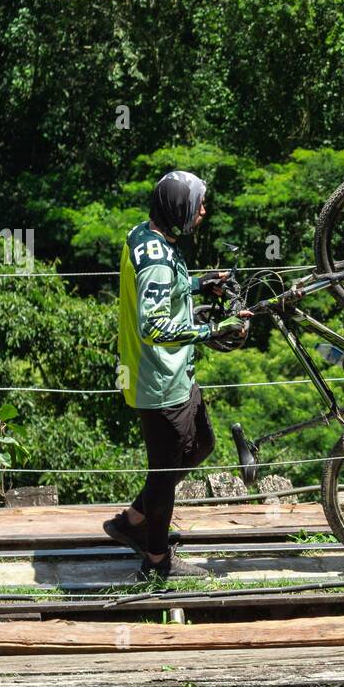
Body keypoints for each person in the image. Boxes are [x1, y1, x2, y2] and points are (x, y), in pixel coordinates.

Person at [103, 170, 252, 581]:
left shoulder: (147, 236)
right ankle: (156, 561)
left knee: (201, 444)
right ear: (177, 208)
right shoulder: (156, 261)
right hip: (159, 381)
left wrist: (202, 285)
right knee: (165, 475)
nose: (203, 210)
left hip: (173, 373)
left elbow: (167, 288)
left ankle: (132, 520)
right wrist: (212, 330)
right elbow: (153, 327)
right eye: (197, 204)